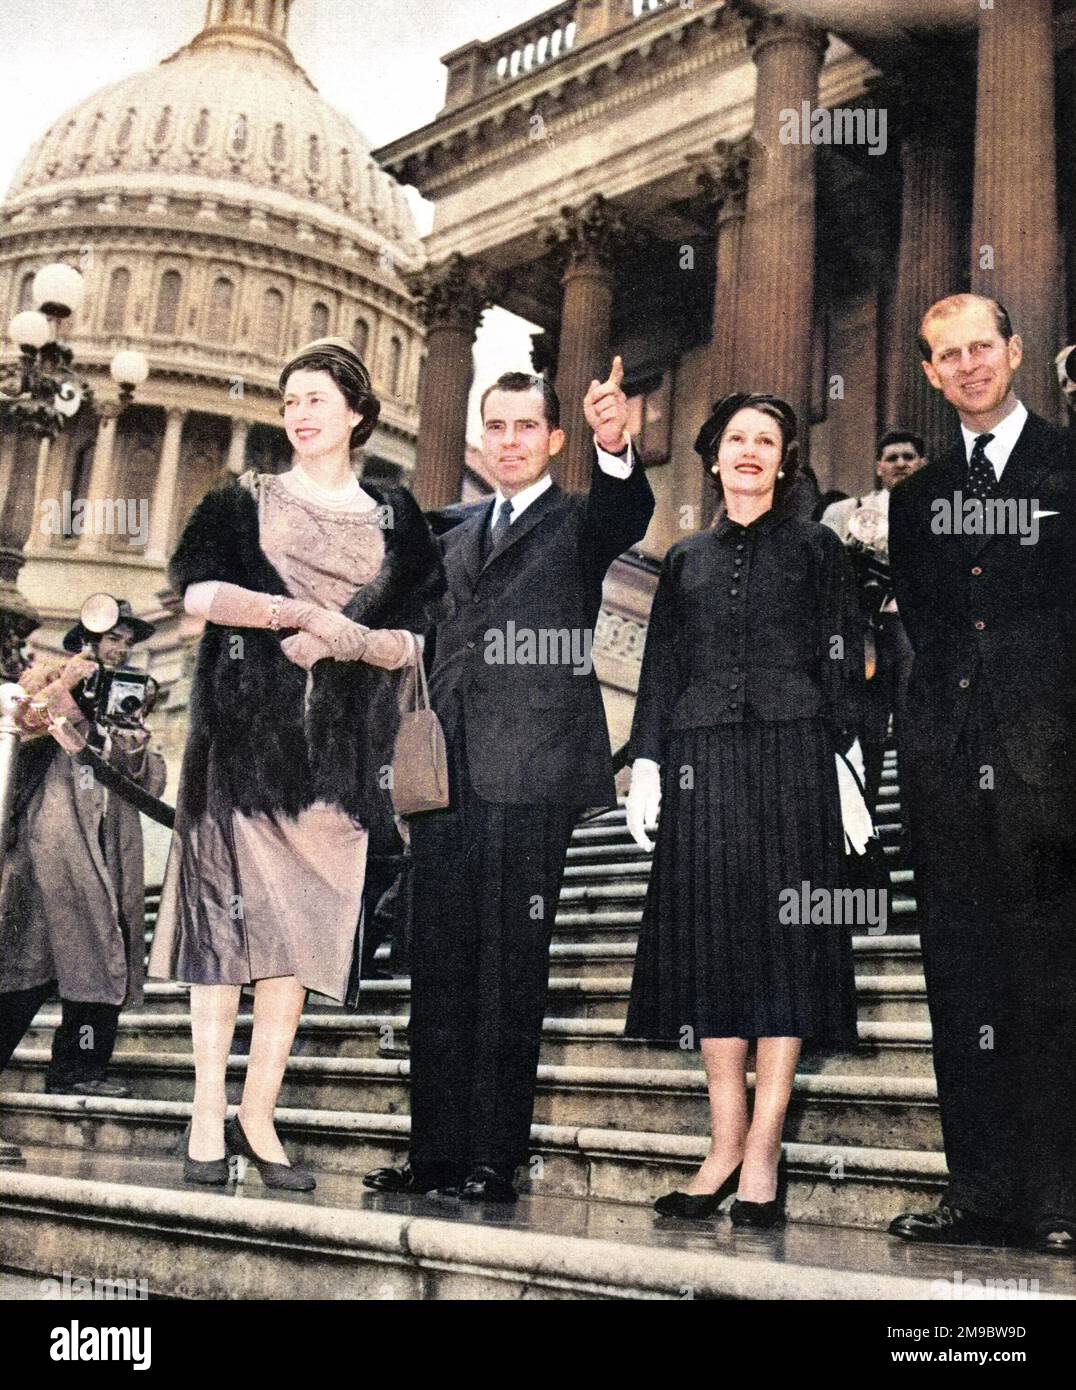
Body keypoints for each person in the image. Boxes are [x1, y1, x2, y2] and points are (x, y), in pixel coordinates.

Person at [148, 337, 444, 1191]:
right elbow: (198, 591)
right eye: (290, 400)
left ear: (356, 412)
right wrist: (289, 613)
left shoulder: (396, 513)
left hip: (345, 756)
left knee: (301, 942)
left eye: (316, 397)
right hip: (244, 745)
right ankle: (207, 1111)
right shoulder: (242, 498)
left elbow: (419, 637)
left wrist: (350, 636)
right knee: (228, 936)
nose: (300, 413)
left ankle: (259, 1116)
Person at [364, 360, 654, 1203]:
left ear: (555, 439)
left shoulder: (578, 521)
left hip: (534, 773)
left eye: (527, 427)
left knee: (511, 967)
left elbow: (626, 510)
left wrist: (615, 445)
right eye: (496, 427)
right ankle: (434, 1155)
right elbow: (383, 608)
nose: (510, 441)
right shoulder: (451, 530)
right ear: (481, 437)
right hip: (447, 773)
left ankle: (494, 1155)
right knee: (439, 967)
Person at [623, 392, 862, 1227]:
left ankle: (763, 1152)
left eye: (768, 439)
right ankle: (721, 1144)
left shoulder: (820, 548)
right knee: (713, 947)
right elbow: (659, 668)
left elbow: (841, 653)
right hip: (701, 763)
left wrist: (848, 760)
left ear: (785, 459)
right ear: (715, 458)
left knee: (786, 950)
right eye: (738, 440)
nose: (752, 451)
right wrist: (648, 762)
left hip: (795, 757)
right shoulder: (684, 558)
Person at [888, 293, 1076, 1254]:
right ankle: (982, 1193)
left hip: (1050, 764)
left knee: (1051, 979)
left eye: (981, 348)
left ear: (1013, 351)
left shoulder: (1065, 465)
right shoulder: (914, 497)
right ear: (929, 373)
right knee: (963, 981)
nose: (967, 366)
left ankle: (1059, 1200)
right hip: (946, 767)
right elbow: (927, 625)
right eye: (946, 355)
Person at [0, 601, 166, 1108]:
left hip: (109, 841)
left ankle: (78, 1068)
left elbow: (147, 781)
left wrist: (132, 739)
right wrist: (69, 684)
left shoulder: (128, 696)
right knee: (26, 962)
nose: (120, 647)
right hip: (53, 841)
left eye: (126, 640)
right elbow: (25, 725)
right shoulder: (47, 678)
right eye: (112, 638)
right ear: (85, 639)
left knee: (102, 954)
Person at [822, 430, 926, 804]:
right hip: (865, 633)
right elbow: (822, 570)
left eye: (909, 457)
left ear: (922, 464)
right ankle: (861, 830)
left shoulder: (944, 512)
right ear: (879, 467)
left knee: (915, 727)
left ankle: (917, 834)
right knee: (866, 731)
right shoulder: (848, 511)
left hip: (915, 634)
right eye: (892, 458)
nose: (901, 463)